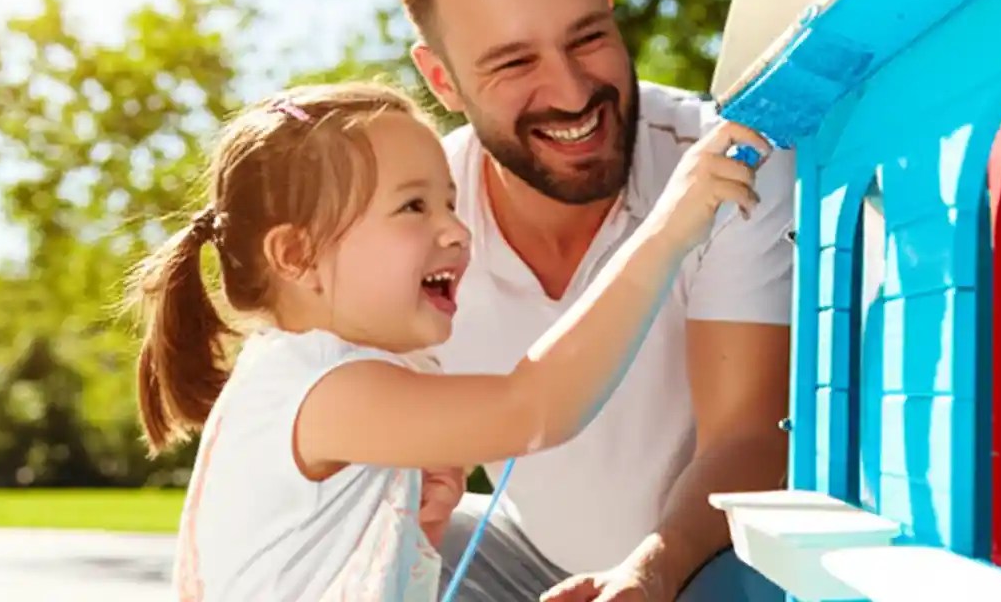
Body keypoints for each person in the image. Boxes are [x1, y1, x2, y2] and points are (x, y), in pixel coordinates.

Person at [126, 81, 769, 601]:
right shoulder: (323, 385)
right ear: (297, 254)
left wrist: (416, 531)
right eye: (413, 207)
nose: (457, 232)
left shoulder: (309, 379)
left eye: (450, 203)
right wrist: (669, 230)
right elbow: (534, 408)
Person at [393, 0, 795, 600]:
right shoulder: (411, 217)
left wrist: (651, 571)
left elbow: (750, 440)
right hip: (524, 555)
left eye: (588, 37)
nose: (574, 93)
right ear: (441, 79)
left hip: (700, 557)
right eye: (514, 64)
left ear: (609, 2)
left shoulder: (727, 159)